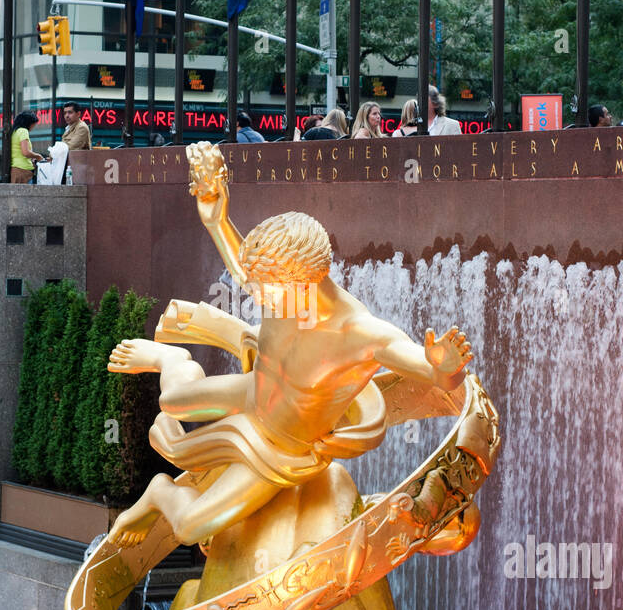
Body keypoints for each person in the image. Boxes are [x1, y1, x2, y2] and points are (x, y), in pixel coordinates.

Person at [106, 141, 472, 548]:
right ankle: (172, 358)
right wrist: (216, 221)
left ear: (305, 282)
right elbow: (245, 271)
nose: (256, 297)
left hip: (278, 449)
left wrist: (444, 368)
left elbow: (429, 372)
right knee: (171, 403)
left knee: (190, 528)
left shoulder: (359, 333)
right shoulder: (284, 292)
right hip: (251, 393)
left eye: (267, 291)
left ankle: (161, 492)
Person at [10, 111, 45, 182]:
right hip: (23, 170)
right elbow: (25, 152)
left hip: (15, 169)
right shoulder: (23, 131)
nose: (33, 127)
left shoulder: (14, 131)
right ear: (29, 123)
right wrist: (38, 156)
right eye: (33, 124)